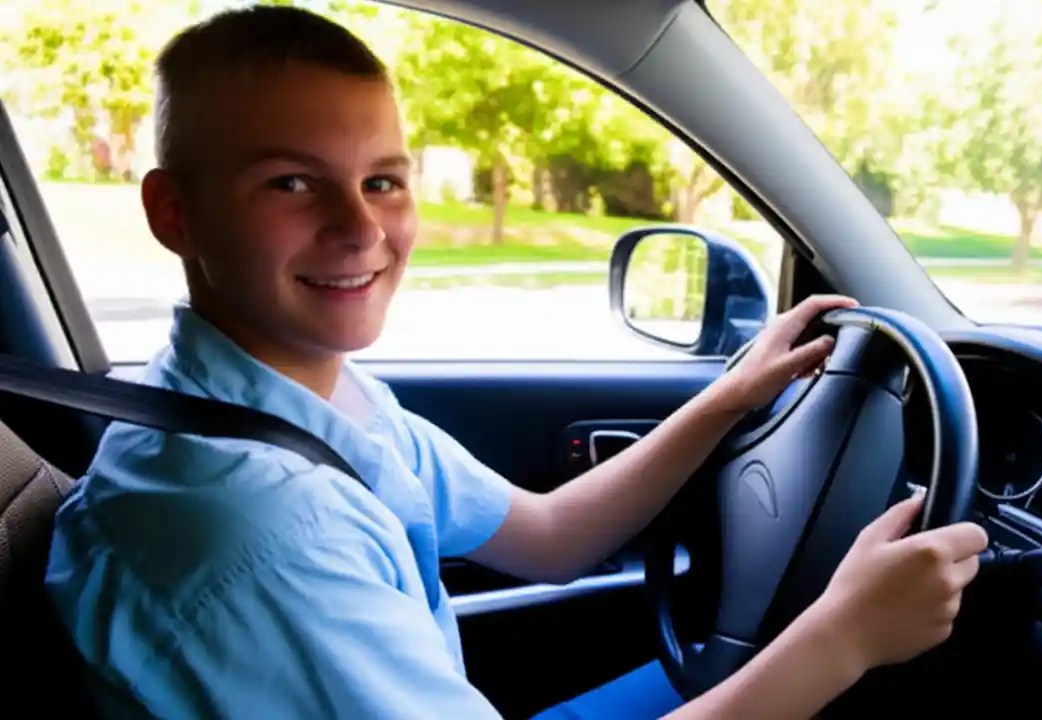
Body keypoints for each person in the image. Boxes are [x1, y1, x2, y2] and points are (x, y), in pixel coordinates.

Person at [43, 5, 989, 719]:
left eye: (383, 181)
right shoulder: (258, 534)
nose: (361, 227)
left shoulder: (296, 401)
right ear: (176, 214)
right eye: (291, 183)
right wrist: (847, 636)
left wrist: (730, 397)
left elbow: (546, 536)